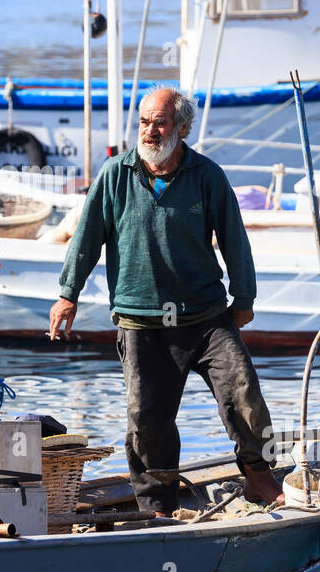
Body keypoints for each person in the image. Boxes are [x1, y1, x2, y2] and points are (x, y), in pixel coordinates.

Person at [48, 86, 282, 517]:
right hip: (141, 323)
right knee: (147, 420)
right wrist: (68, 295)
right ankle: (156, 503)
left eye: (160, 122)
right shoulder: (115, 174)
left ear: (183, 128)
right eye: (144, 122)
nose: (150, 131)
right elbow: (85, 240)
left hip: (207, 317)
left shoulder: (206, 176)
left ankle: (259, 476)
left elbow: (234, 237)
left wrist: (243, 294)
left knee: (244, 393)